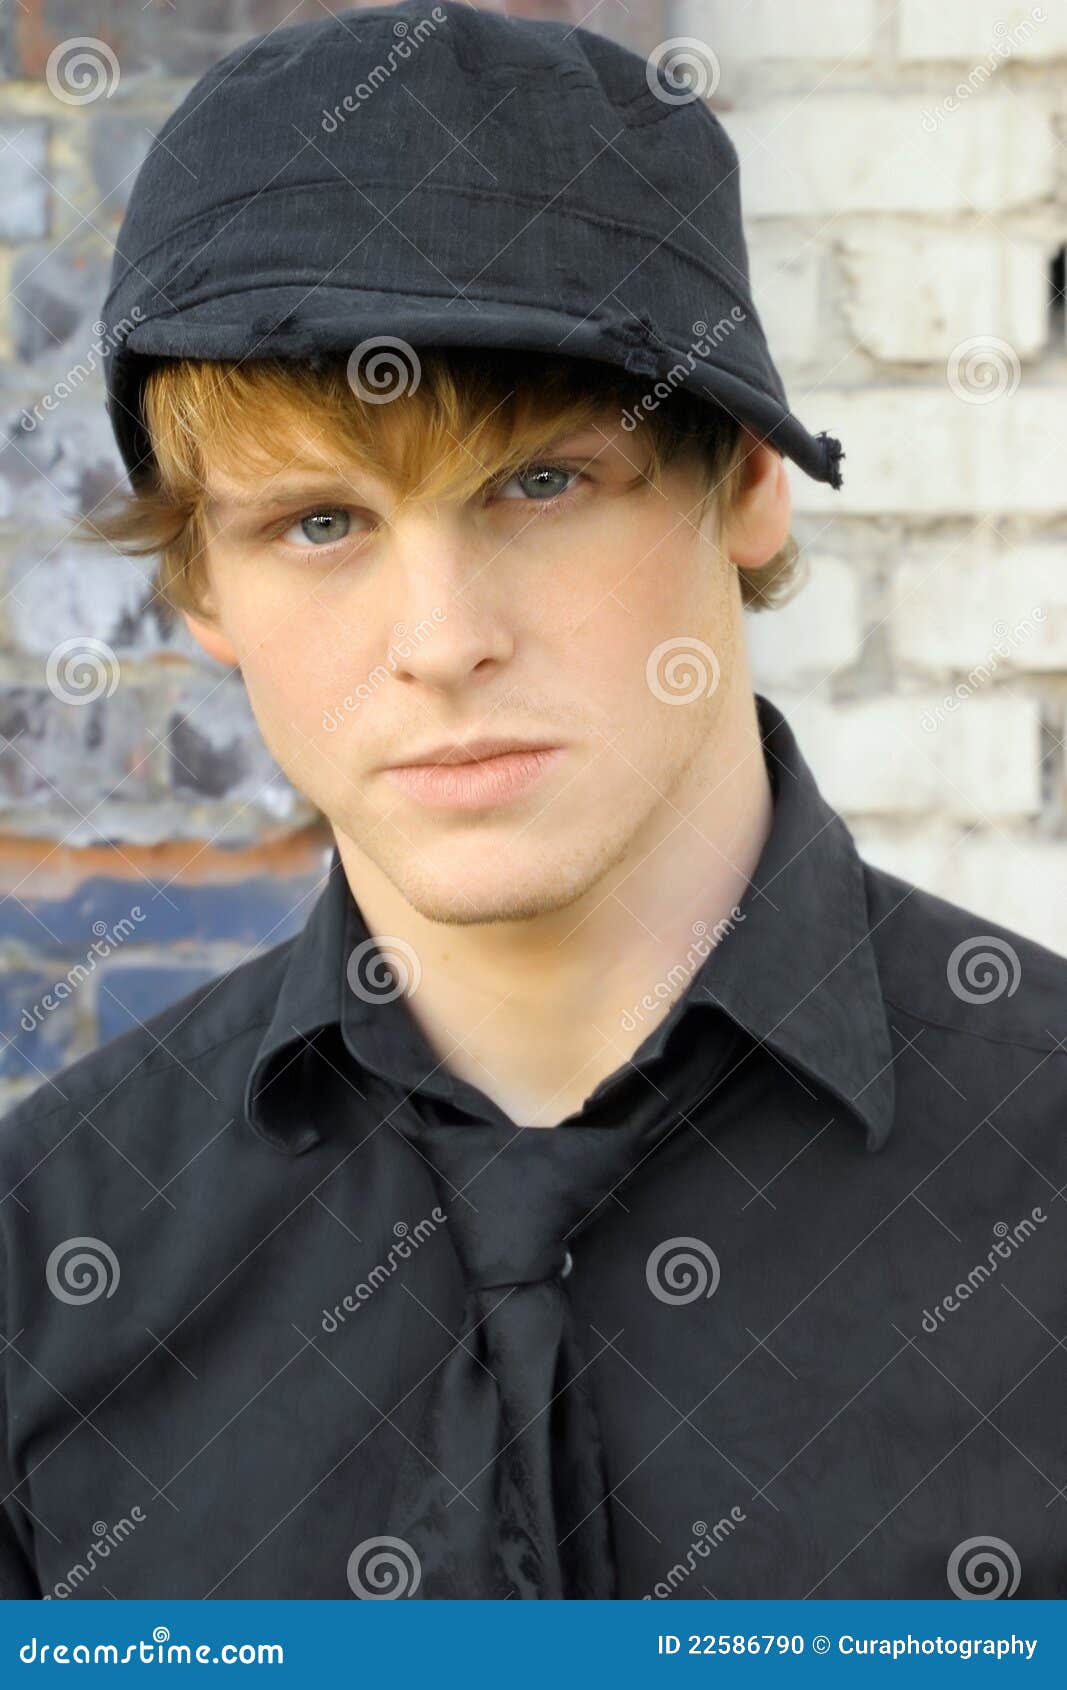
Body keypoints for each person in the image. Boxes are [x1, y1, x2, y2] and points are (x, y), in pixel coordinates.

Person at [2, 1, 1064, 1602]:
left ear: (752, 483)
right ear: (200, 585)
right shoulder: (42, 1262)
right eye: (315, 523)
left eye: (541, 482)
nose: (440, 645)